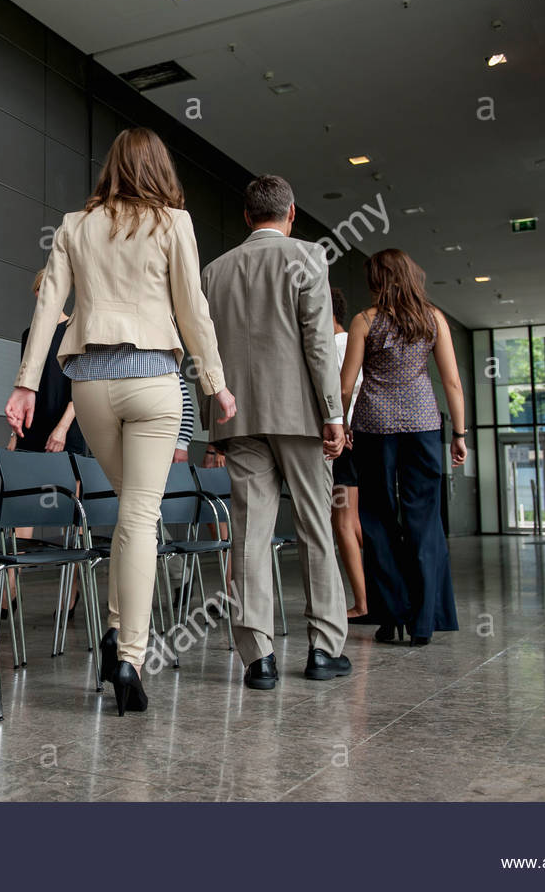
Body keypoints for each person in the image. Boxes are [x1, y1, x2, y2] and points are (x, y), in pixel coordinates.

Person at [6, 127, 236, 717]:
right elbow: (193, 308)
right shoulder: (174, 223)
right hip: (155, 382)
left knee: (130, 514)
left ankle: (113, 632)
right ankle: (130, 654)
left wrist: (26, 383)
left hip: (91, 387)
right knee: (140, 515)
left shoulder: (74, 225)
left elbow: (48, 307)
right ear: (159, 167)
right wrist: (215, 382)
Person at [200, 174, 350, 692]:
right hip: (301, 416)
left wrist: (212, 426)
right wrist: (334, 413)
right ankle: (323, 650)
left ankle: (257, 658)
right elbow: (318, 342)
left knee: (249, 535)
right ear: (292, 213)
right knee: (315, 528)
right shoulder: (309, 257)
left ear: (246, 217)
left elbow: (205, 352)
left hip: (237, 417)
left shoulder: (214, 272)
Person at [340, 248, 466, 646]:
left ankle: (391, 615)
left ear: (377, 280)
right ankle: (424, 622)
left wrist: (338, 426)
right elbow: (452, 383)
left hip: (374, 427)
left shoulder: (365, 320)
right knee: (424, 520)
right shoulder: (433, 319)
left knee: (376, 519)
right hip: (424, 428)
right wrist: (459, 434)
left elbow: (346, 384)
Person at [8, 268, 88, 619]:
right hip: (32, 428)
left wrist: (62, 428)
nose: (43, 295)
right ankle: (9, 588)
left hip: (67, 429)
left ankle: (71, 592)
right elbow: (25, 385)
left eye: (50, 289)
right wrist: (14, 433)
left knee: (70, 516)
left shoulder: (78, 329)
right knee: (21, 510)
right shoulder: (30, 335)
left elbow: (81, 388)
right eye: (39, 289)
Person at [329, 286, 368, 620]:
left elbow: (344, 391)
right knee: (352, 521)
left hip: (343, 441)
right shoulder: (352, 342)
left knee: (342, 523)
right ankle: (371, 593)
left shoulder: (334, 346)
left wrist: (341, 426)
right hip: (357, 437)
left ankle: (362, 603)